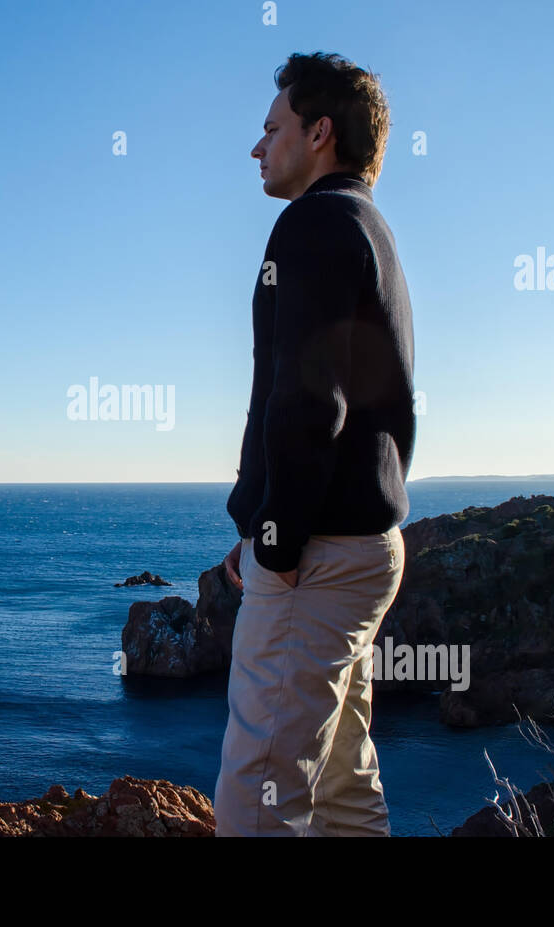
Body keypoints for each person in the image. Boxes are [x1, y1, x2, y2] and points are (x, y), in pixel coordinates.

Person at [214, 51, 416, 837]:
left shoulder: (311, 225)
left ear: (320, 132)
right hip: (365, 548)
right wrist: (261, 521)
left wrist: (278, 538)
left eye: (273, 128)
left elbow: (306, 404)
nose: (258, 147)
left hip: (318, 556)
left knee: (259, 796)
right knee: (339, 787)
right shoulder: (370, 229)